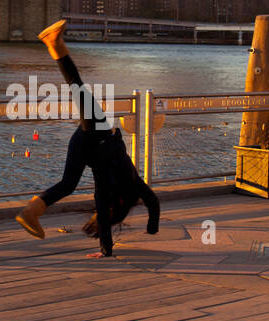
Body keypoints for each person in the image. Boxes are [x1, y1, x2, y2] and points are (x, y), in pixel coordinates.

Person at [15, 20, 160, 257]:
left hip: (97, 133)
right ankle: (31, 211)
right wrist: (106, 251)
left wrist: (152, 226)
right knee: (68, 184)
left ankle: (53, 42)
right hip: (85, 143)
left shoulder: (132, 187)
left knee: (77, 85)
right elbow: (104, 221)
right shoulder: (107, 193)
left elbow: (153, 202)